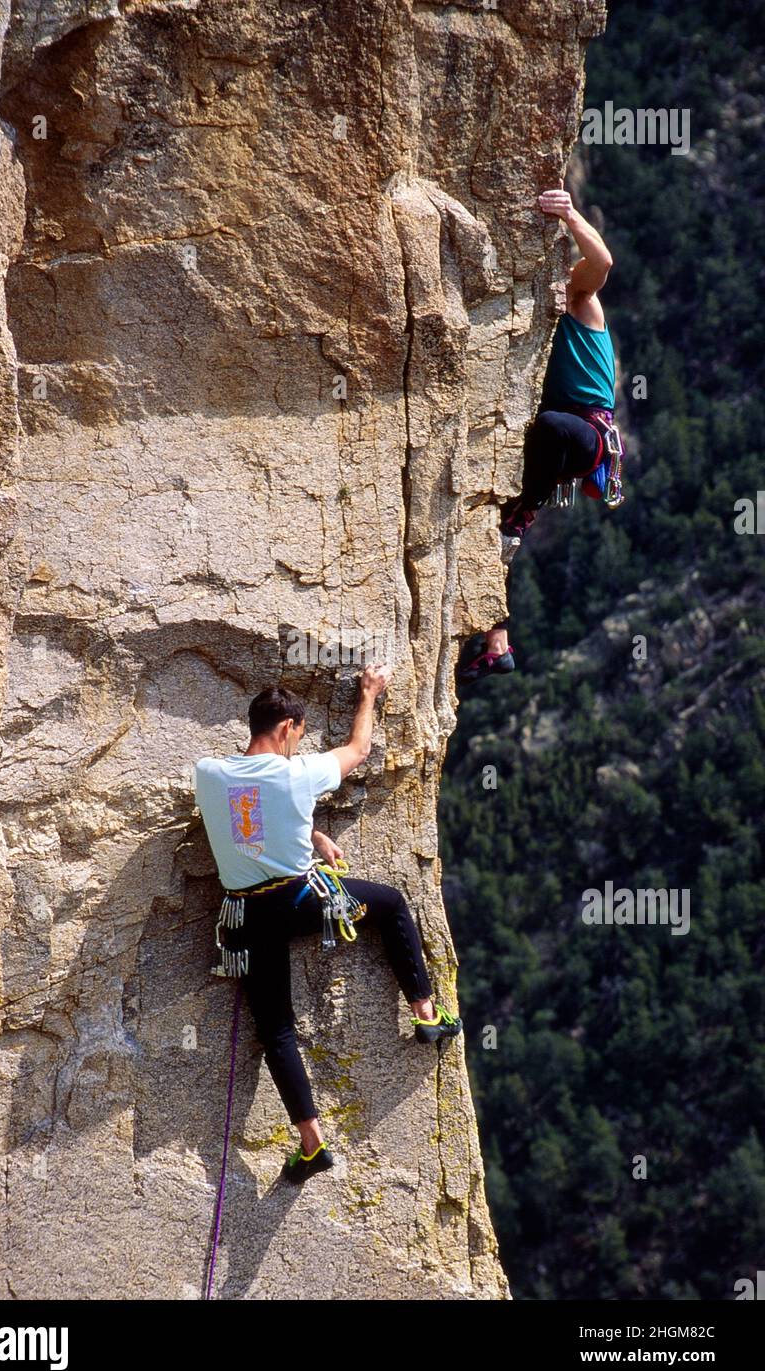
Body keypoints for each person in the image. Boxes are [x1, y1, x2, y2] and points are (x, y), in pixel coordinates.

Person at [193, 666, 463, 1184]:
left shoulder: (209, 772)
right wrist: (368, 695)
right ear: (289, 727)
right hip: (299, 900)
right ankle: (426, 1013)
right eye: (298, 734)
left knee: (275, 1031)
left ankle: (312, 1143)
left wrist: (311, 834)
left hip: (246, 917)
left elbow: (245, 818)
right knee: (390, 904)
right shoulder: (298, 775)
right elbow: (358, 749)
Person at [457, 184, 625, 685]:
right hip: (555, 439)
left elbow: (603, 262)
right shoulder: (543, 317)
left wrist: (571, 216)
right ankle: (497, 644)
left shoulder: (578, 299)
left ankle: (524, 512)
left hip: (585, 433)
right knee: (490, 538)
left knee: (548, 435)